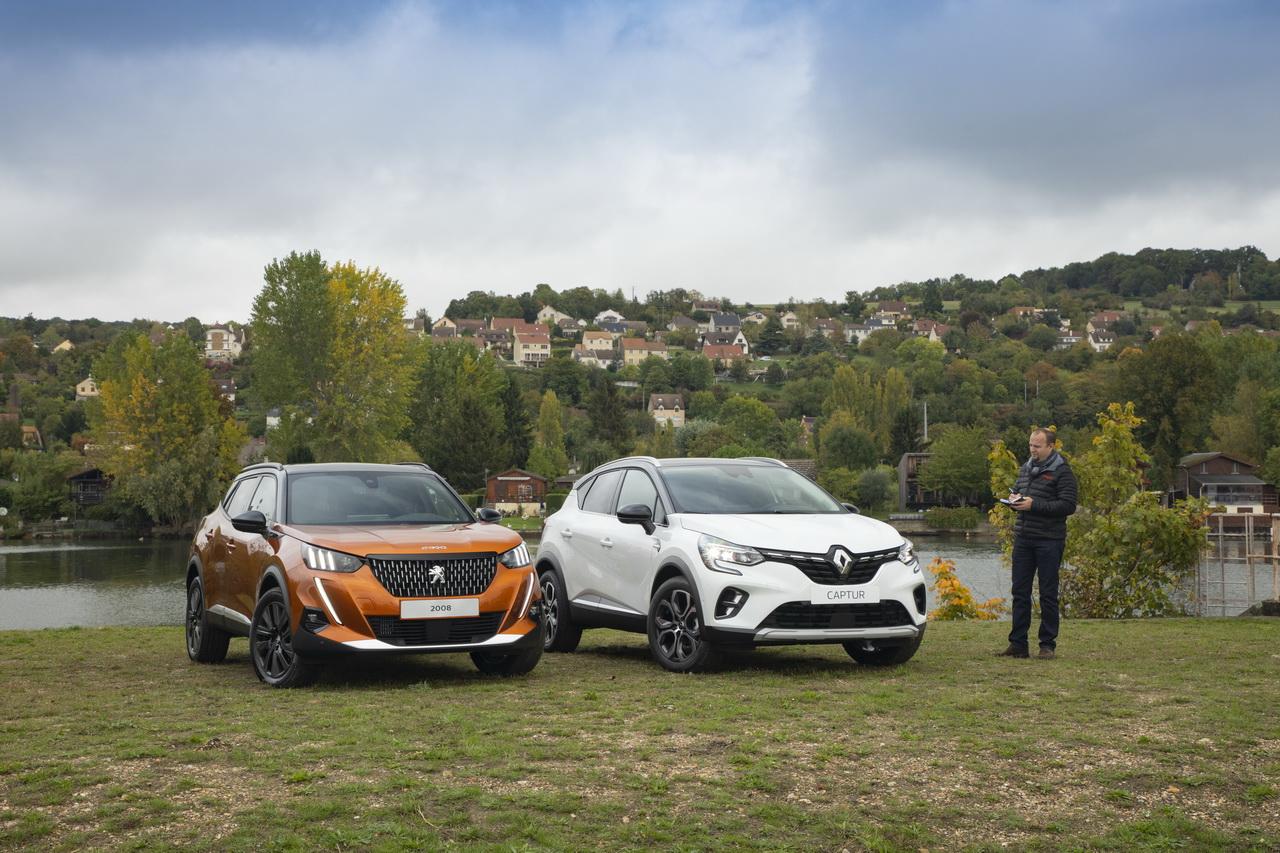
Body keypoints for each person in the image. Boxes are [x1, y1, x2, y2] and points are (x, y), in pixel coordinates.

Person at [998, 427, 1077, 660]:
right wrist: (1014, 499)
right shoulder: (1025, 468)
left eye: (1037, 446)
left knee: (1048, 593)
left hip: (1049, 540)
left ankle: (1047, 645)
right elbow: (1020, 491)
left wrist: (1034, 505)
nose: (1032, 449)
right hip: (1023, 537)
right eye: (1031, 445)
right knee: (1019, 592)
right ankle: (1018, 645)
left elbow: (1068, 505)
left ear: (1051, 447)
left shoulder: (1063, 472)